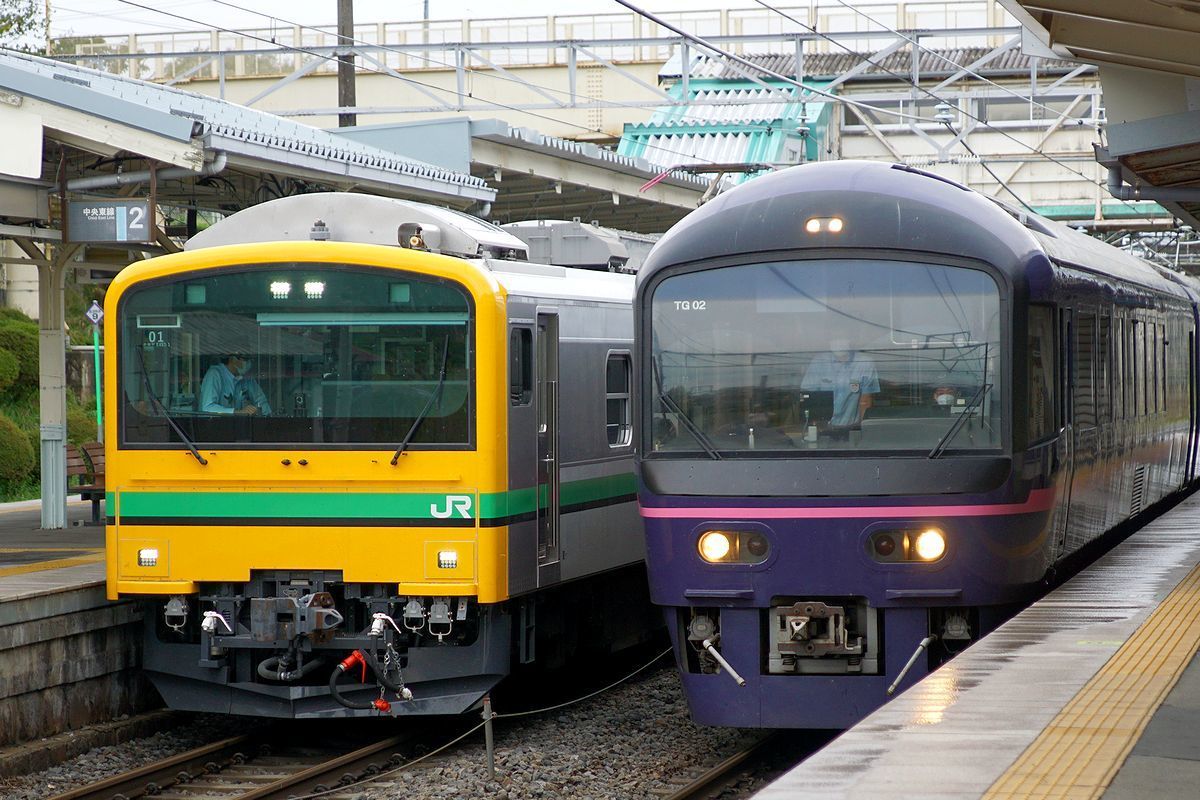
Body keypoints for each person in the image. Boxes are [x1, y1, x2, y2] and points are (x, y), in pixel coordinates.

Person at [801, 339, 880, 429]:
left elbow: (865, 401)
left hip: (854, 427)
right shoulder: (819, 361)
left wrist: (862, 429)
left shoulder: (865, 363)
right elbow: (809, 398)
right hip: (824, 428)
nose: (838, 341)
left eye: (842, 337)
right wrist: (816, 428)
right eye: (835, 337)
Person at [200, 353, 272, 415]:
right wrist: (237, 412)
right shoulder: (215, 374)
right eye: (245, 359)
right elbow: (207, 408)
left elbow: (262, 402)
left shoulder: (247, 378)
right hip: (214, 426)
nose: (248, 363)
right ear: (233, 358)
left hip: (239, 426)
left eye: (250, 359)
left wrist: (263, 414)